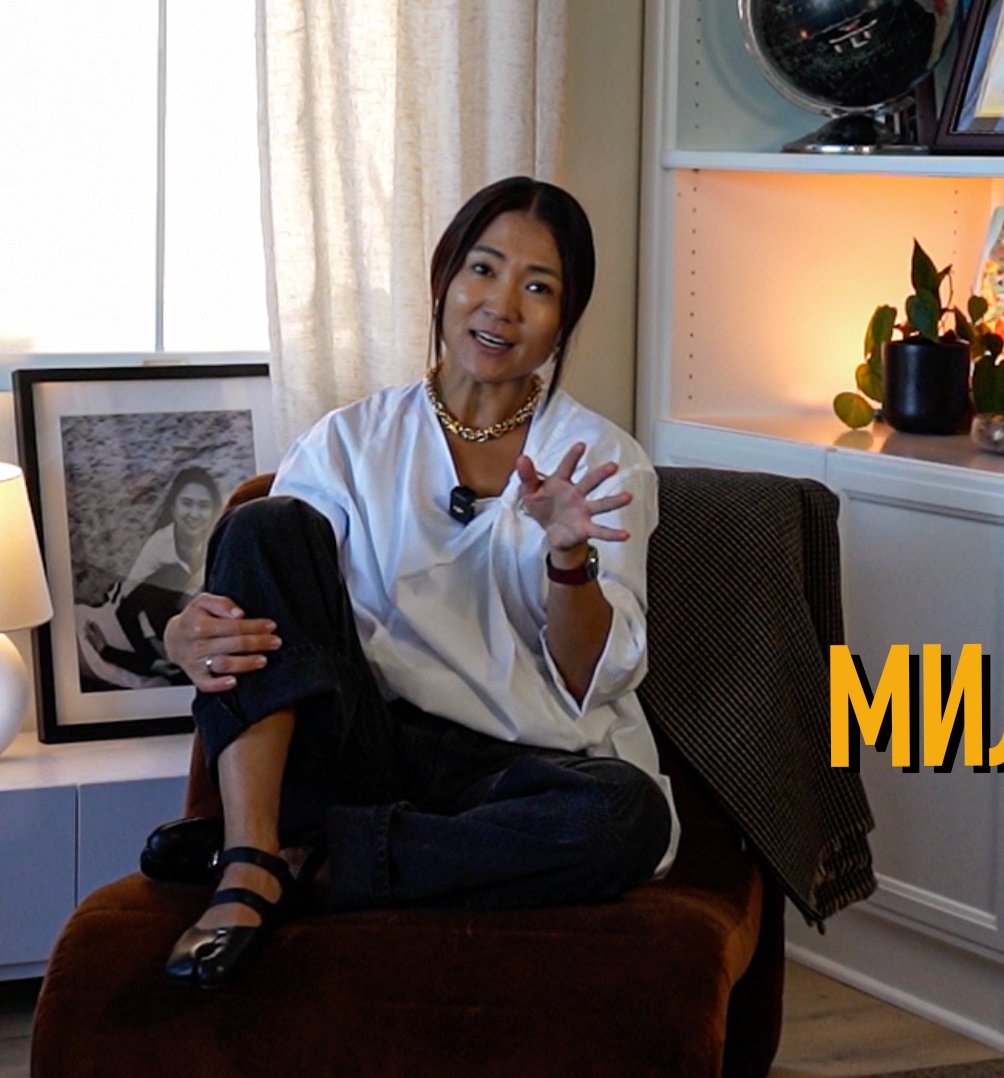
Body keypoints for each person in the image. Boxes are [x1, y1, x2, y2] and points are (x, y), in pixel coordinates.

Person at [155, 177, 674, 989]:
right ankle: (253, 858)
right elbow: (268, 589)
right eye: (483, 270)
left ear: (565, 317)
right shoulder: (348, 441)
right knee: (265, 524)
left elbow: (592, 680)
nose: (502, 306)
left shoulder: (601, 462)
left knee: (624, 816)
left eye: (538, 288)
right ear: (444, 279)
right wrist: (185, 630)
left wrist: (568, 558)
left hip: (513, 771)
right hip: (364, 741)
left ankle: (310, 854)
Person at [85, 466, 219, 684]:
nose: (194, 514)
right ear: (173, 508)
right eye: (187, 503)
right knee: (174, 573)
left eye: (203, 506)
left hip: (178, 627)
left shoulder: (221, 542)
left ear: (214, 511)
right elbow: (127, 605)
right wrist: (150, 651)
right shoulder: (160, 548)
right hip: (139, 617)